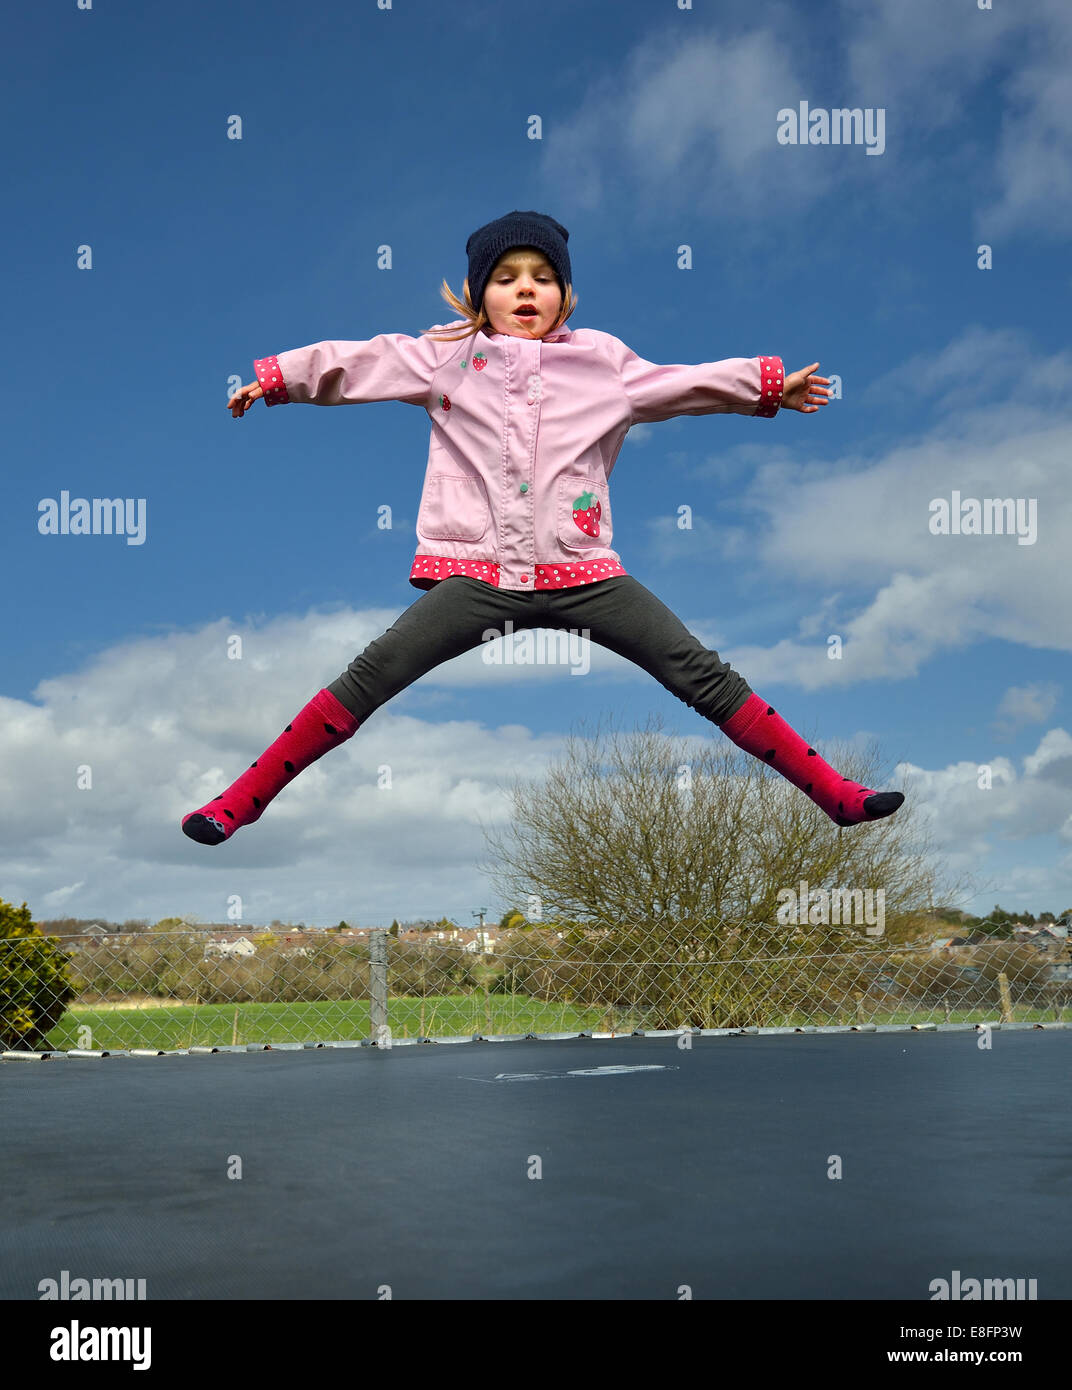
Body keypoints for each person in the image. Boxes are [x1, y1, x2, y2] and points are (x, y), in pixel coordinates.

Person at [182, 209, 903, 847]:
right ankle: (238, 803)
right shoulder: (447, 358)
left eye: (541, 278)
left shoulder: (603, 363)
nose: (525, 290)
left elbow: (680, 383)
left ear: (565, 295)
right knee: (373, 672)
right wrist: (278, 379)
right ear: (477, 294)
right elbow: (359, 361)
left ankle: (835, 795)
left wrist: (763, 384)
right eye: (505, 277)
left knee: (699, 671)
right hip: (480, 575)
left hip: (584, 570)